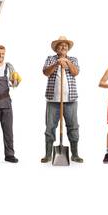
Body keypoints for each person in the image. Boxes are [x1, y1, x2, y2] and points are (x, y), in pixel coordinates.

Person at [42, 35, 84, 164]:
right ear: (56, 49)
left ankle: (75, 154)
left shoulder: (73, 59)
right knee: (50, 127)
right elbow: (45, 72)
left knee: (73, 127)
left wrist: (67, 61)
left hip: (70, 100)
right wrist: (57, 63)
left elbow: (76, 72)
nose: (63, 47)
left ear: (68, 48)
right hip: (53, 100)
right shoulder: (50, 59)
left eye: (65, 45)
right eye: (60, 45)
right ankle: (48, 155)